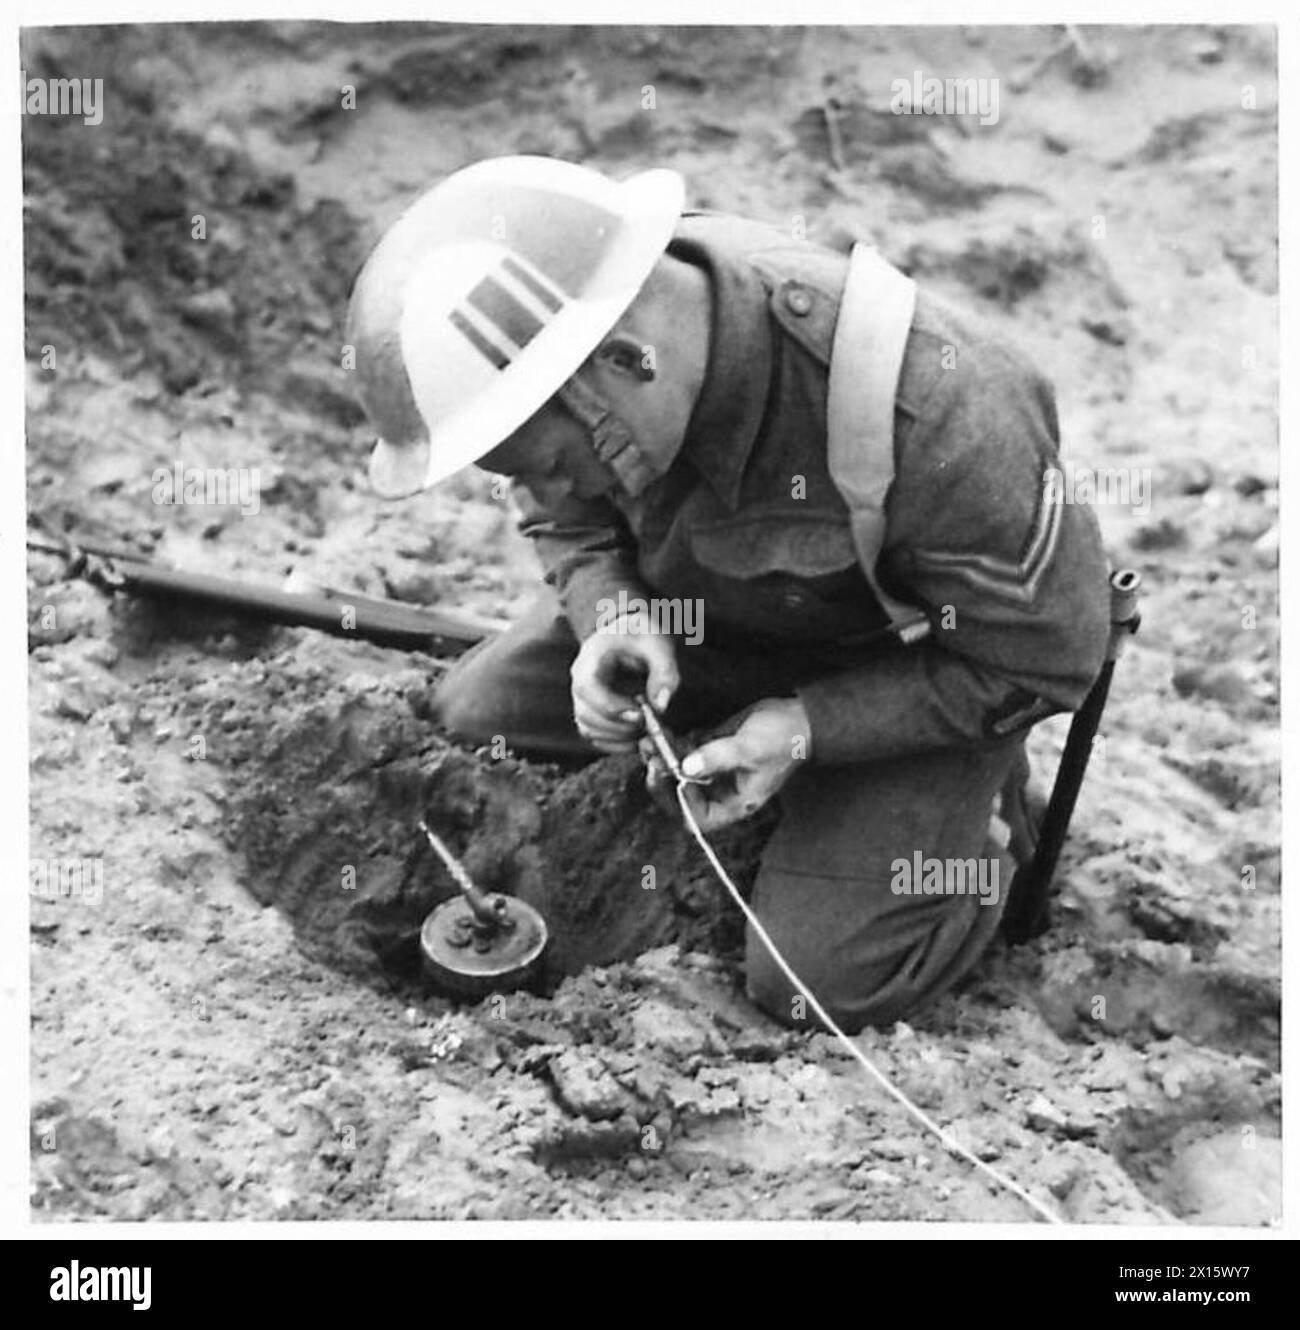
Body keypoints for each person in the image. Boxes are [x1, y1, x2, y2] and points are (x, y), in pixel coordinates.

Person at [345, 155, 1111, 1032]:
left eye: (556, 458)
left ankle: (982, 836)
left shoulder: (939, 411)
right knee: (469, 724)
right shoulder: (593, 362)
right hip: (710, 620)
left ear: (620, 363)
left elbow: (1048, 661)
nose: (549, 485)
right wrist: (616, 618)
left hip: (907, 672)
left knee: (816, 982)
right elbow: (566, 512)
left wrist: (810, 728)